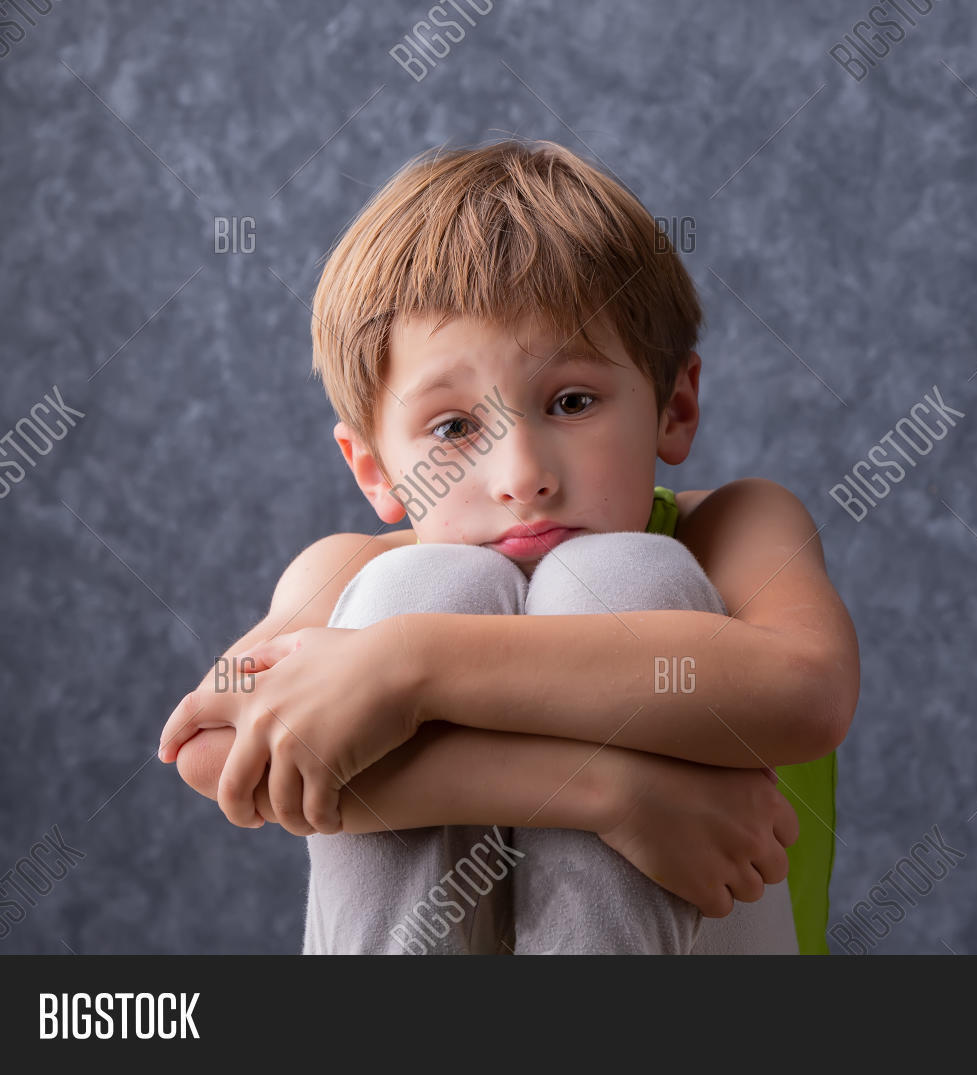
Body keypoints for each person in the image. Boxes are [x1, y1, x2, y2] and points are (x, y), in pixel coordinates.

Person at [157, 139, 859, 954]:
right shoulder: (350, 570)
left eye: (570, 400)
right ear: (376, 469)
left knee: (619, 577)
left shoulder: (736, 527)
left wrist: (409, 666)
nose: (521, 475)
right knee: (416, 584)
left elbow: (807, 690)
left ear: (674, 407)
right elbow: (214, 747)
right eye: (453, 427)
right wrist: (610, 792)